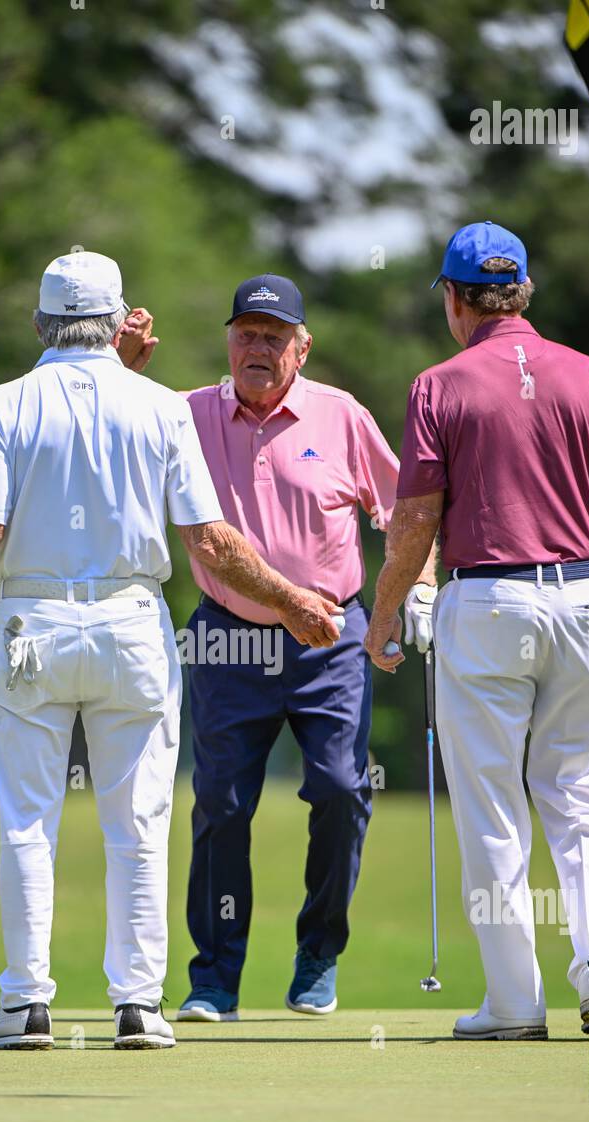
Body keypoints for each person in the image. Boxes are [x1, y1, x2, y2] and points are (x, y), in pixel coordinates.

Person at [0, 251, 343, 1052]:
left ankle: (24, 1004)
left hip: (31, 626)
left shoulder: (3, 403)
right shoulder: (162, 407)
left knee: (26, 824)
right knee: (139, 823)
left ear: (40, 324)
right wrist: (290, 600)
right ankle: (139, 1005)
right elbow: (210, 540)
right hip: (131, 625)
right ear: (117, 325)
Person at [367, 219, 589, 1040]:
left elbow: (415, 520)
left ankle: (514, 1003)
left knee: (493, 801)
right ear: (521, 293)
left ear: (456, 301)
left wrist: (384, 615)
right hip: (588, 601)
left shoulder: (438, 385)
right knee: (580, 794)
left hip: (488, 603)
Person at [174, 274, 437, 1023]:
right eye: (246, 334)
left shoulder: (341, 415)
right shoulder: (186, 414)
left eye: (274, 336)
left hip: (332, 636)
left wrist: (417, 591)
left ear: (302, 346)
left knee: (342, 788)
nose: (257, 347)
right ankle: (215, 979)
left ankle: (318, 954)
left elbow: (406, 514)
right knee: (221, 804)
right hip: (227, 638)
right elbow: (112, 426)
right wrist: (123, 363)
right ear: (229, 340)